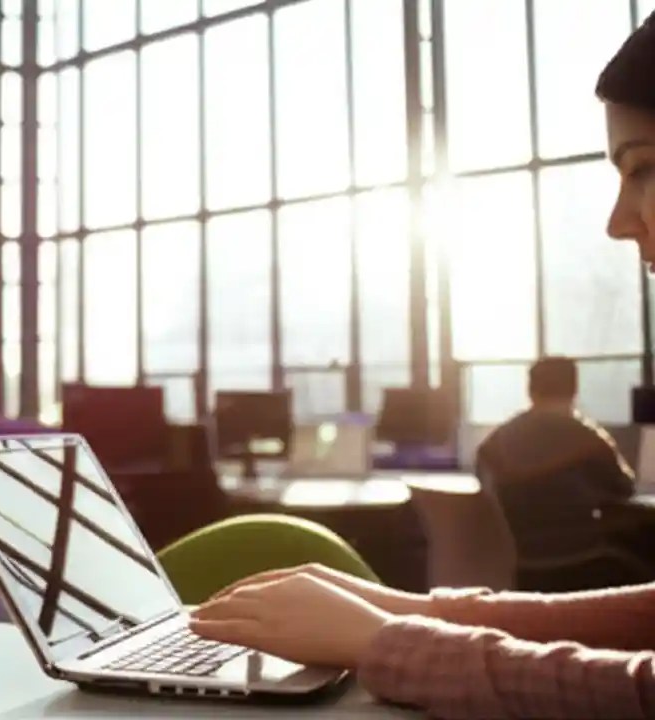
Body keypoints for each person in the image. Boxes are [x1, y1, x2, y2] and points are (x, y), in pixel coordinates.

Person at [189, 13, 655, 719]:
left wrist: (386, 635)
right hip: (581, 564)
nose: (618, 221)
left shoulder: (499, 440)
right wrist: (409, 608)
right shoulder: (586, 436)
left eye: (643, 168)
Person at [476, 357, 637, 586]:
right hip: (578, 557)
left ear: (530, 390)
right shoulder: (587, 438)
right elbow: (624, 489)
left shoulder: (495, 441)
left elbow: (484, 490)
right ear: (574, 390)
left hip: (519, 560)